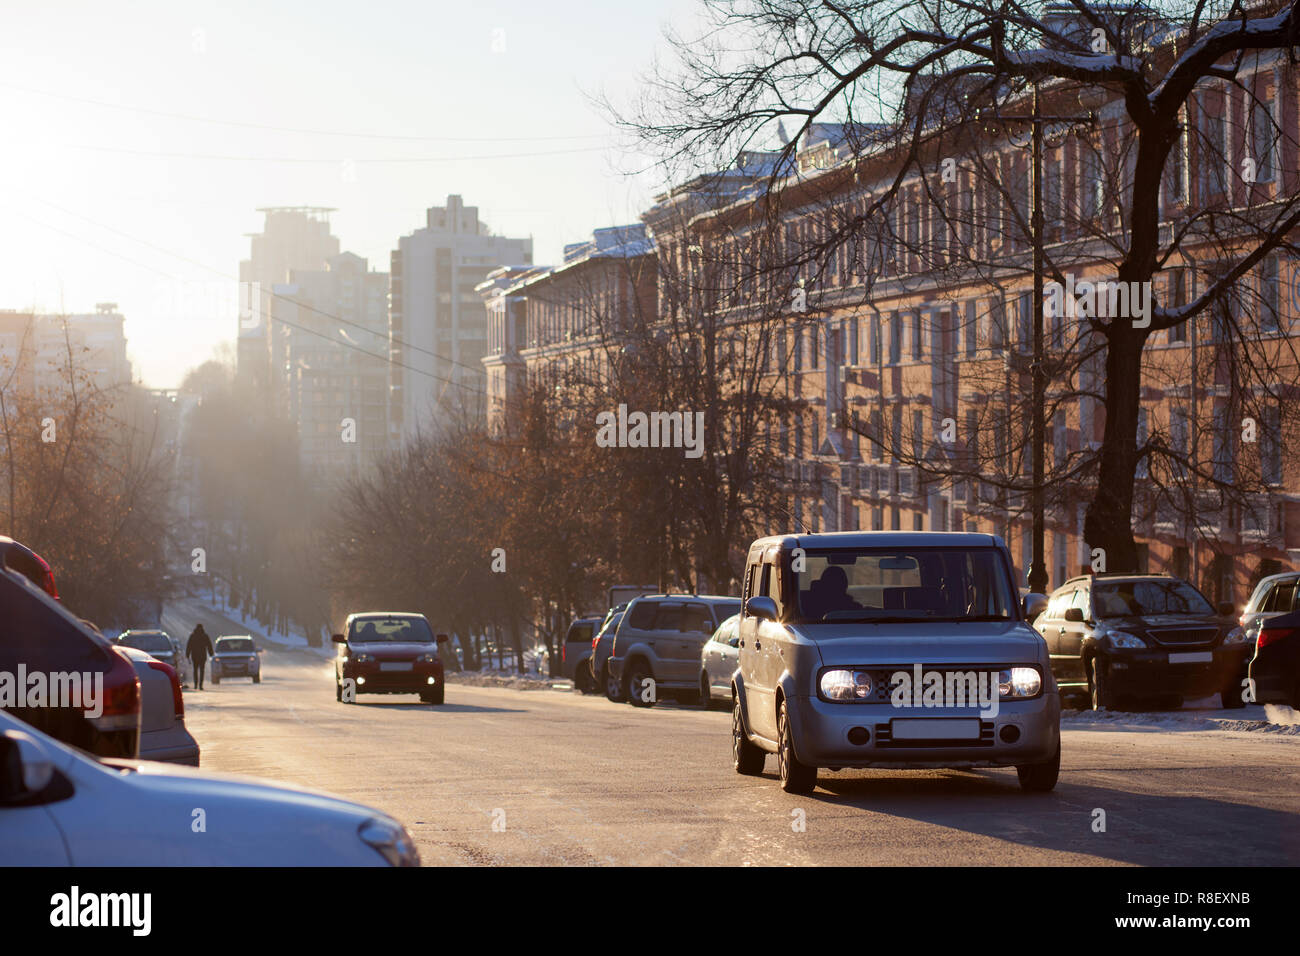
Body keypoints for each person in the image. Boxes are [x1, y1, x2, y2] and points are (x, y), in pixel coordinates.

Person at [186, 624, 214, 690]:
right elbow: (209, 645)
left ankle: (196, 685)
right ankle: (200, 685)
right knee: (202, 670)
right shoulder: (204, 636)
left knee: (195, 670)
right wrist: (211, 654)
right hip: (202, 656)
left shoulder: (193, 636)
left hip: (194, 656)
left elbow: (189, 646)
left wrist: (187, 655)